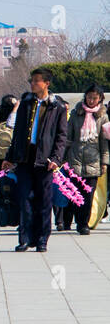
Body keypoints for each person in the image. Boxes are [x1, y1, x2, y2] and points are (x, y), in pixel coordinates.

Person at [2, 67, 69, 253]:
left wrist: (56, 158)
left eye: (36, 80)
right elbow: (17, 133)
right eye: (31, 80)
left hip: (45, 160)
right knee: (24, 199)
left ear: (46, 83)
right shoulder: (25, 103)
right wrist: (9, 157)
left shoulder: (57, 107)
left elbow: (62, 136)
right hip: (25, 157)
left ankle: (42, 239)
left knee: (44, 201)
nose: (32, 83)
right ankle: (24, 239)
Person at [61, 84, 107, 235]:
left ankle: (83, 224)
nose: (91, 100)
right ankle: (74, 219)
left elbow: (104, 142)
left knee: (89, 194)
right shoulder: (75, 114)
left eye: (95, 98)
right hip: (74, 159)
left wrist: (105, 162)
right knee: (75, 193)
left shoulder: (103, 116)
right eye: (89, 97)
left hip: (94, 160)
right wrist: (62, 157)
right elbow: (67, 137)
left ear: (100, 99)